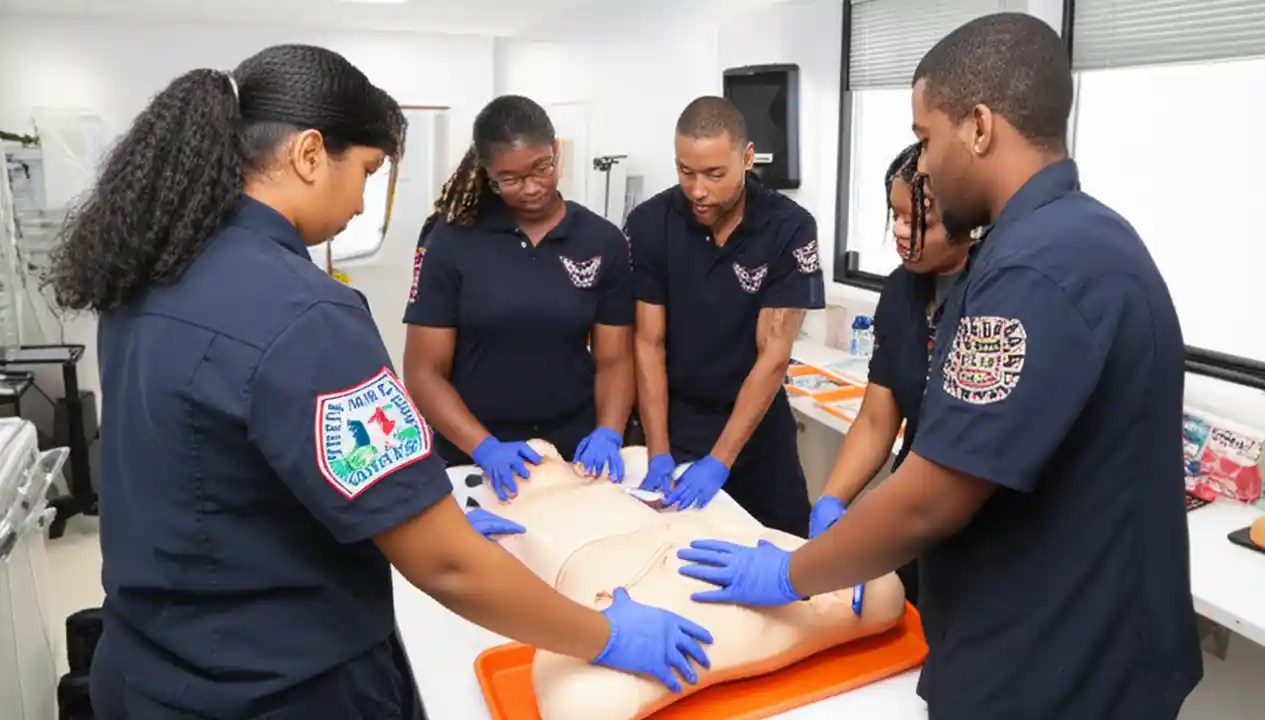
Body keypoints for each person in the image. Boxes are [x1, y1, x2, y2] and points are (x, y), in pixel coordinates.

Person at [44, 45, 711, 720]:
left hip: (147, 670)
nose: (363, 200)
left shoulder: (148, 271)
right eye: (365, 170)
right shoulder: (309, 315)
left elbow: (230, 475)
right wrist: (607, 636)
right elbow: (448, 567)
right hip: (277, 689)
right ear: (310, 154)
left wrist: (398, 513)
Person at [676, 13, 1202, 718]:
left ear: (978, 127)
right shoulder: (1079, 238)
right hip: (1068, 639)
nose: (921, 165)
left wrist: (793, 572)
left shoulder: (1034, 271)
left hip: (1059, 666)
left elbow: (932, 495)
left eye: (926, 139)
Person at [403, 95, 635, 500]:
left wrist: (609, 432)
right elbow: (424, 372)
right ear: (488, 173)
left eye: (541, 168)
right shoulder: (452, 241)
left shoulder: (601, 242)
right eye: (509, 179)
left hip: (572, 453)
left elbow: (614, 361)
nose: (531, 188)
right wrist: (483, 446)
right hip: (476, 451)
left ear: (555, 151)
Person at [626, 96, 823, 537]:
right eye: (686, 172)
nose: (698, 190)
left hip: (758, 429)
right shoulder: (649, 223)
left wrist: (720, 461)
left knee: (787, 550)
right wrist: (659, 451)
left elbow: (772, 356)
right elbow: (648, 343)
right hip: (678, 423)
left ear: (747, 158)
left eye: (715, 174)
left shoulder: (788, 228)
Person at [807, 142, 975, 606]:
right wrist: (833, 500)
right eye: (894, 216)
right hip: (911, 504)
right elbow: (878, 419)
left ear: (966, 219)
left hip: (977, 526)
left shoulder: (996, 290)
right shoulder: (902, 288)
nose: (901, 232)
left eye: (917, 220)